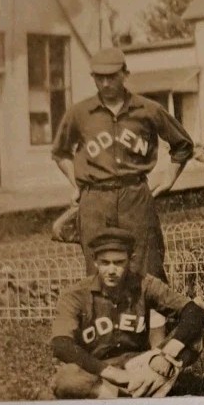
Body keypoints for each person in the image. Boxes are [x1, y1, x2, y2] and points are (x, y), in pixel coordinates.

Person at [51, 47, 194, 280]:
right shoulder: (80, 113)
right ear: (93, 78)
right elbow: (60, 152)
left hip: (135, 194)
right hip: (95, 199)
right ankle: (106, 317)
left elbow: (183, 145)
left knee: (148, 265)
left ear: (125, 74)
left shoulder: (148, 110)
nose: (106, 83)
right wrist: (76, 183)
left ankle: (151, 316)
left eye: (112, 76)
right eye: (100, 78)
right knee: (100, 270)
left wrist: (169, 179)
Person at [50, 227, 204, 399]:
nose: (111, 270)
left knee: (195, 337)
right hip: (99, 371)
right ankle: (140, 395)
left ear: (130, 260)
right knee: (65, 379)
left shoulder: (144, 284)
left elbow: (193, 311)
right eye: (105, 262)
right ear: (94, 261)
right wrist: (112, 373)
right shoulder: (75, 294)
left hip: (143, 365)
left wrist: (166, 354)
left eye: (118, 262)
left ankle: (139, 391)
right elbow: (61, 344)